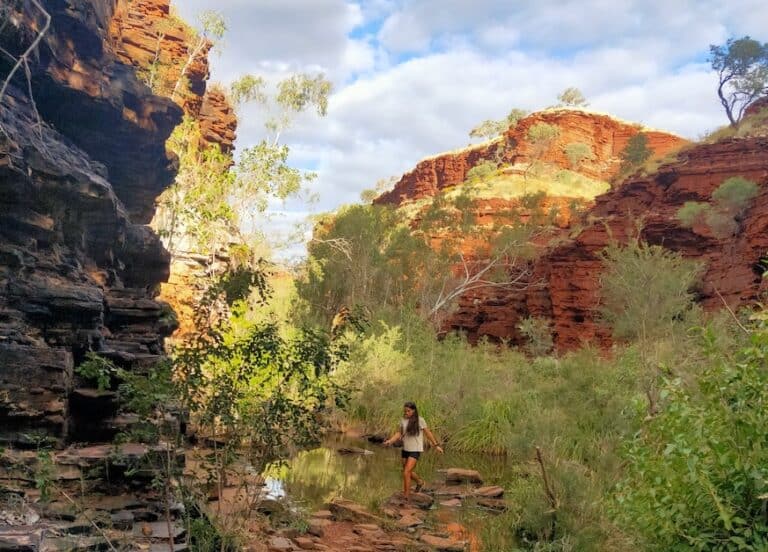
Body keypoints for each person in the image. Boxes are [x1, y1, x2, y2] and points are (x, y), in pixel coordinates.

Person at [383, 401, 443, 500]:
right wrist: (390, 441)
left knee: (406, 472)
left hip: (415, 450)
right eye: (405, 411)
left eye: (408, 411)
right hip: (405, 449)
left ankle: (406, 496)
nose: (406, 412)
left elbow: (428, 433)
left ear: (414, 411)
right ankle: (420, 482)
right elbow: (399, 433)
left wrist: (436, 445)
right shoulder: (403, 420)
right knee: (407, 471)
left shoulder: (420, 420)